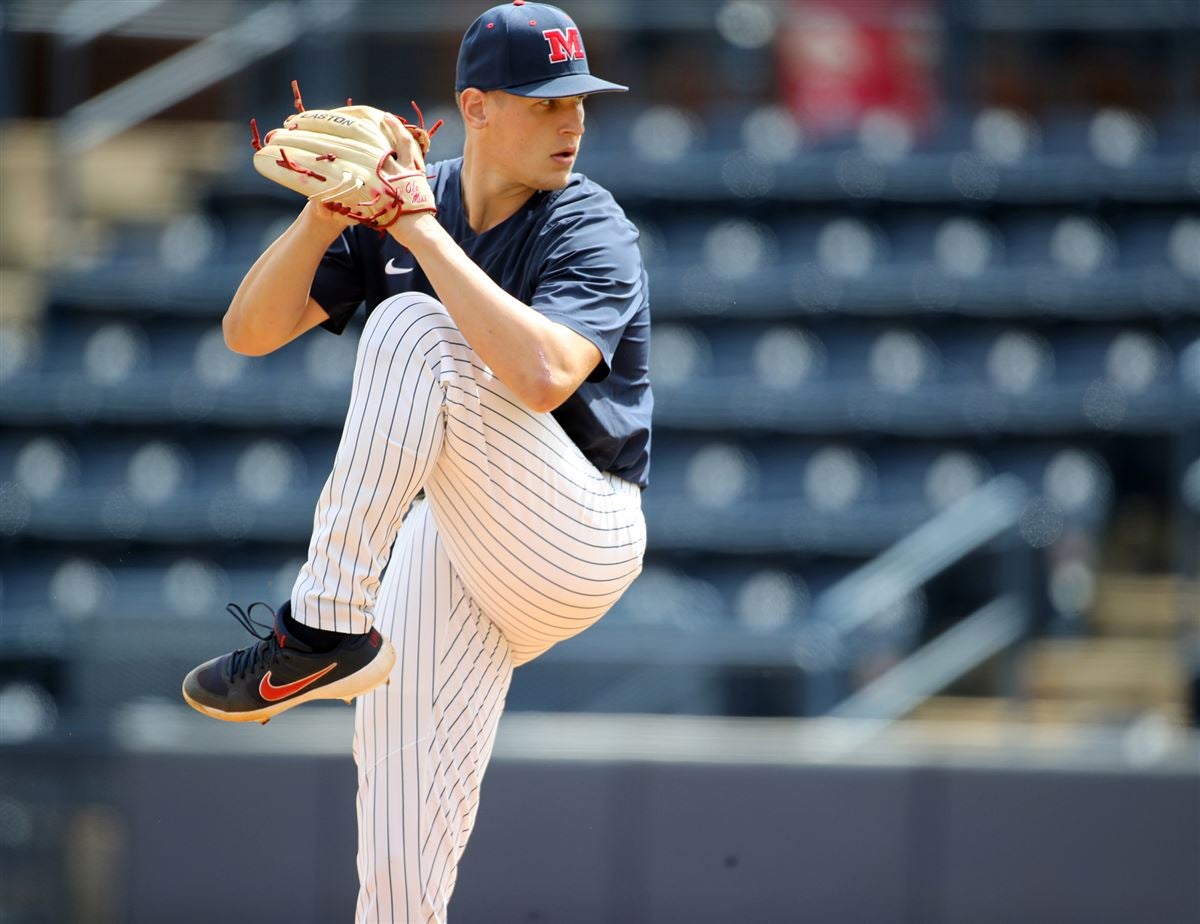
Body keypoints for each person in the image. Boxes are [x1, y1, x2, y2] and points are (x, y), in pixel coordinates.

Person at [181, 1, 651, 920]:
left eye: (580, 99)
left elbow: (549, 374)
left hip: (576, 527)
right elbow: (248, 332)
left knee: (408, 323)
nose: (574, 120)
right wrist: (324, 220)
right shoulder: (410, 196)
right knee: (398, 849)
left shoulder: (589, 224)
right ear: (474, 107)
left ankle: (318, 634)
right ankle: (335, 639)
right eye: (546, 101)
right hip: (460, 540)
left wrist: (418, 230)